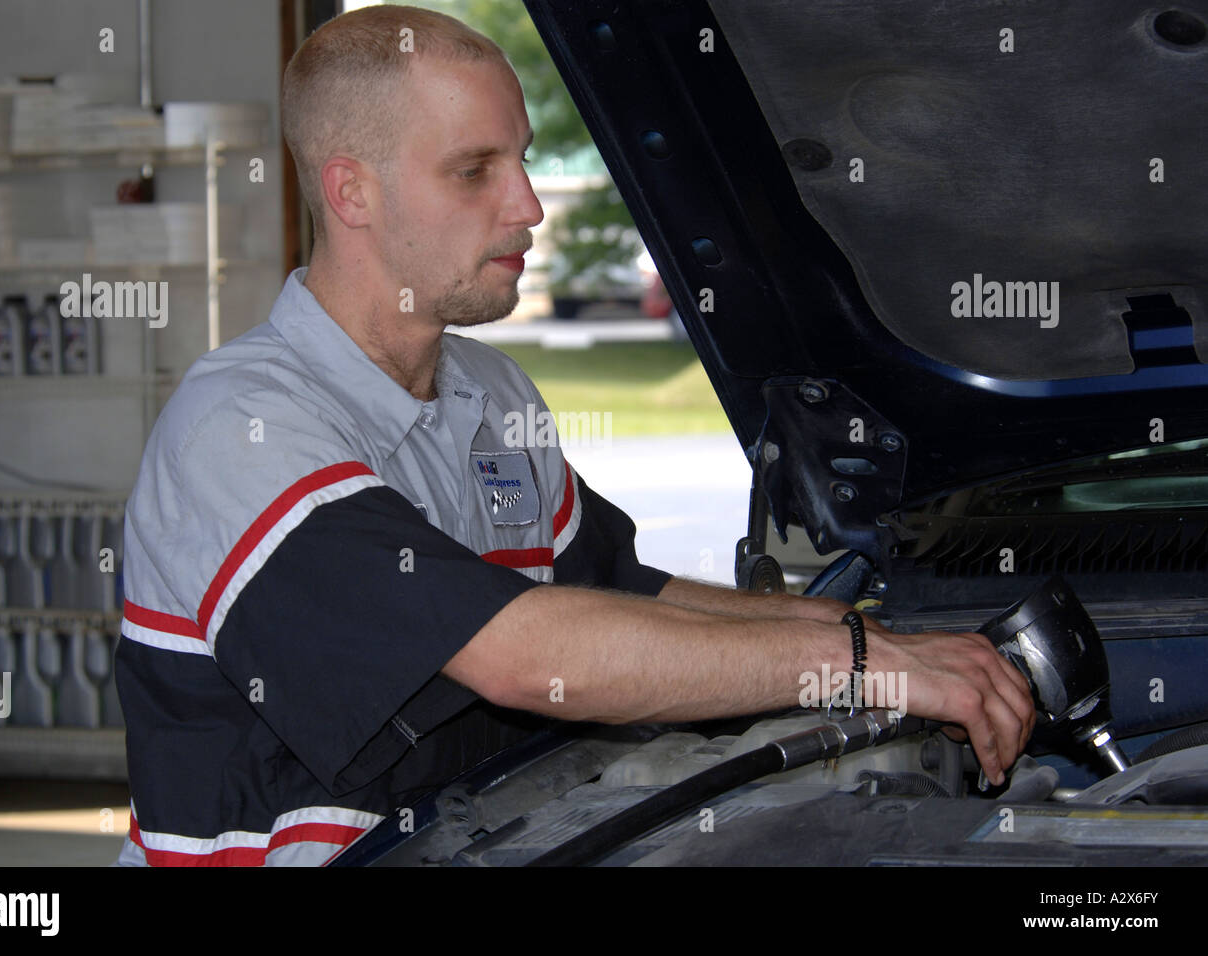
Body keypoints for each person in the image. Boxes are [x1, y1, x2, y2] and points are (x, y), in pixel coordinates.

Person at [112, 4, 1034, 867]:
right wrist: (862, 668)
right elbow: (527, 652)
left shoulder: (487, 387)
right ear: (352, 191)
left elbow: (625, 596)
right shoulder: (240, 428)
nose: (529, 206)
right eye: (475, 170)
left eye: (521, 160)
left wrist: (863, 628)